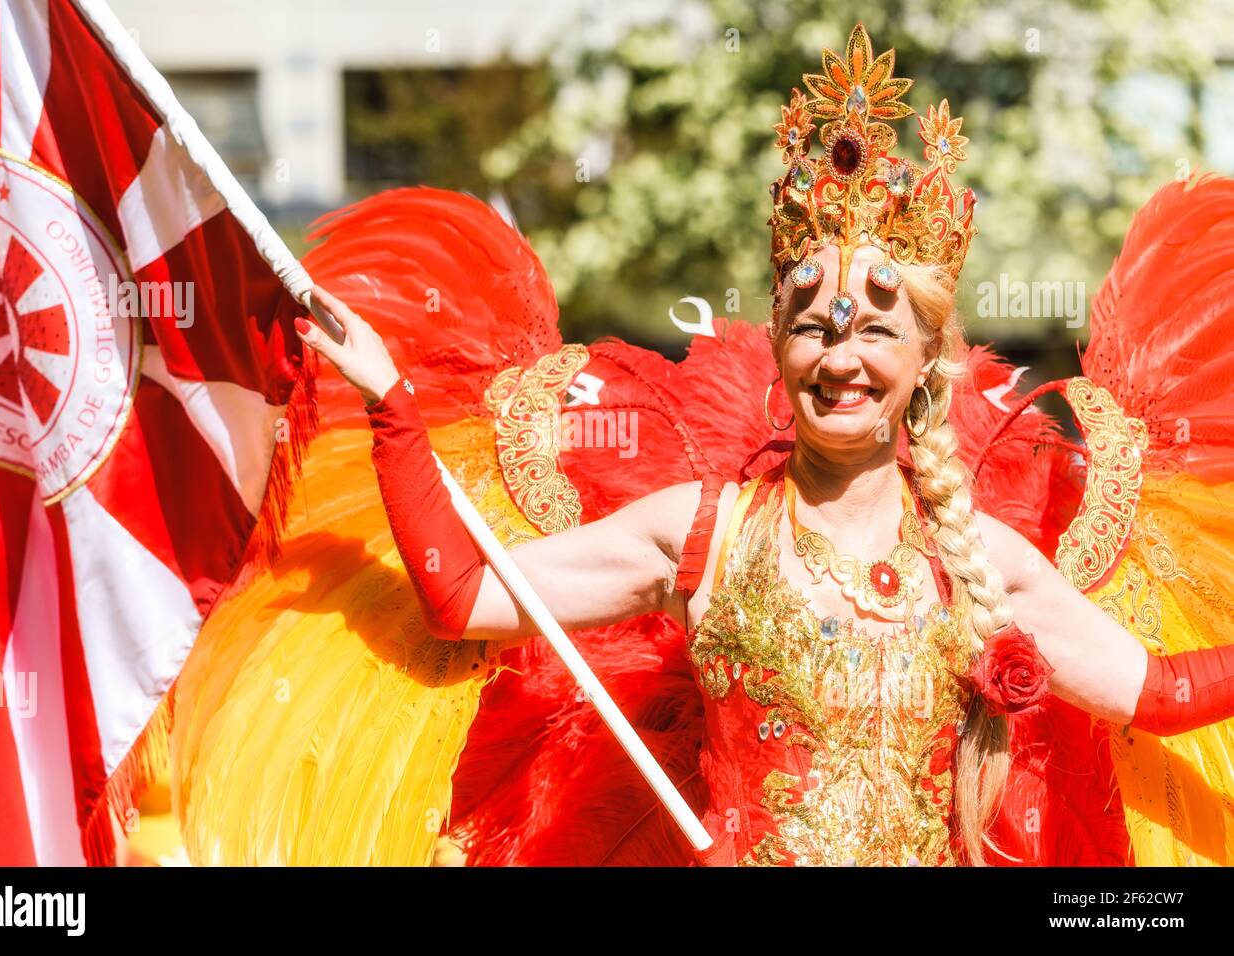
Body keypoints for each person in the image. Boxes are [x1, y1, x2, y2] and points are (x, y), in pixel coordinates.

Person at [171, 24, 1234, 867]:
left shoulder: (984, 562)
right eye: (812, 322)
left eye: (875, 328)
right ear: (777, 342)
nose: (840, 354)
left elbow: (1160, 692)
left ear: (923, 362)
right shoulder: (702, 534)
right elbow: (467, 596)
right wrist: (396, 405)